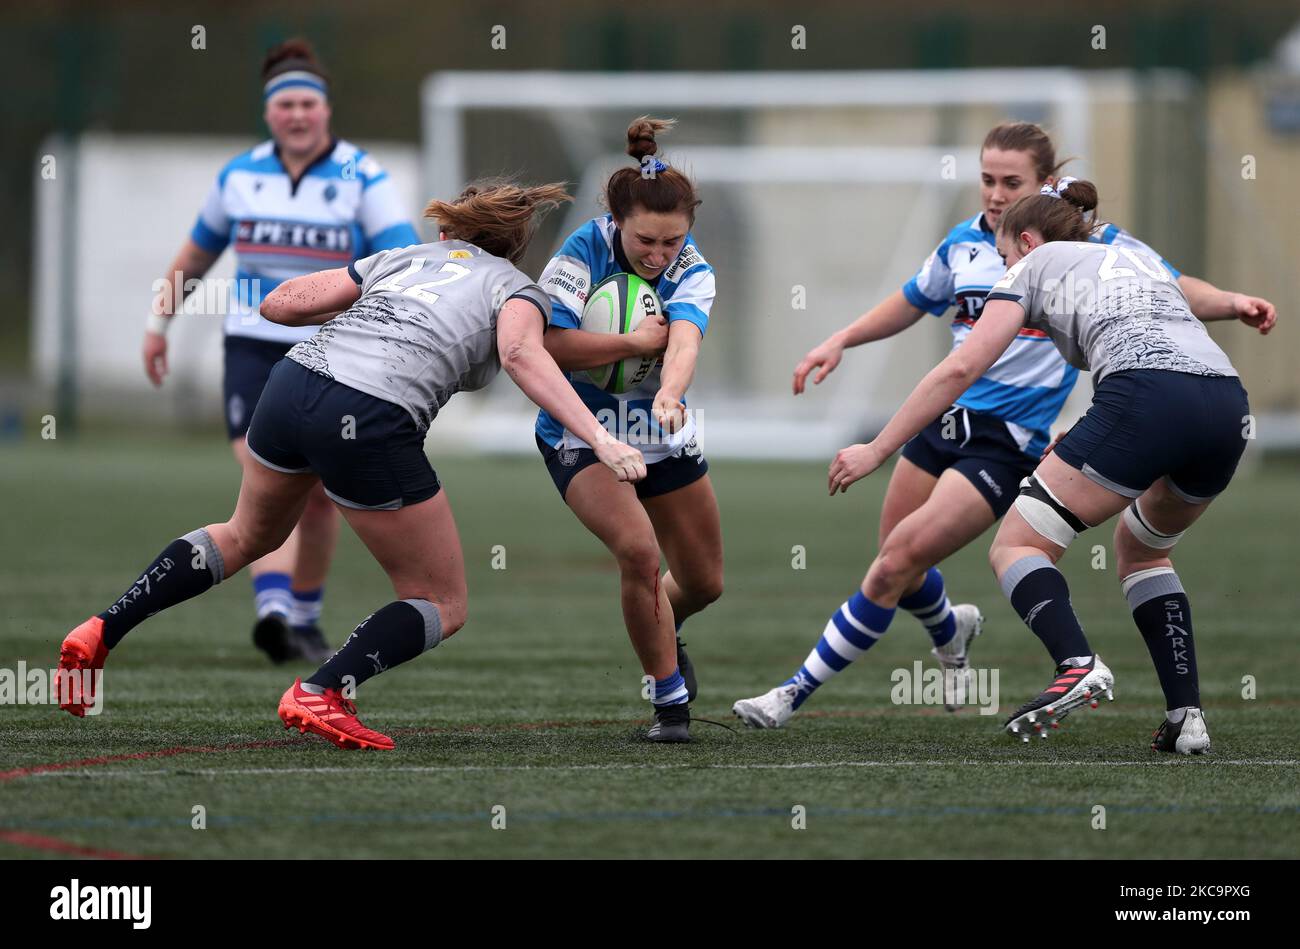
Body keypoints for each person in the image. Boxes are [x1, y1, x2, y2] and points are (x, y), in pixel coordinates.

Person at [57, 180, 648, 750]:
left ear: (446, 233)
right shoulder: (516, 289)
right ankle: (321, 690)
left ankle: (103, 627)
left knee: (245, 534)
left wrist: (376, 320)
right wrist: (601, 436)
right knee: (442, 601)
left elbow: (278, 305)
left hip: (291, 384)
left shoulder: (400, 259)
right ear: (513, 246)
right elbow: (522, 352)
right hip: (368, 411)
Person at [734, 123, 1276, 728]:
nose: (993, 193)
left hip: (1012, 437)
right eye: (987, 179)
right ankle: (968, 634)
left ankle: (791, 694)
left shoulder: (1056, 255)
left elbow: (963, 364)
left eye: (1010, 183)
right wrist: (841, 339)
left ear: (1042, 194)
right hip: (1205, 402)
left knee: (936, 557)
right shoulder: (1001, 245)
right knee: (910, 559)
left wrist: (877, 448)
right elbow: (916, 300)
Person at [142, 38, 419, 664]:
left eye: (308, 104)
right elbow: (195, 257)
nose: (297, 115)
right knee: (262, 473)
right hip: (251, 345)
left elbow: (401, 262)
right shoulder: (239, 176)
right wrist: (158, 324)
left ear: (326, 111)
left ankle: (305, 615)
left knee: (321, 495)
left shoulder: (361, 173)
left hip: (333, 348)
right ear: (270, 113)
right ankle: (273, 608)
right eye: (285, 104)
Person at [534, 117, 722, 742]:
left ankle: (664, 629)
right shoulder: (579, 254)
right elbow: (551, 347)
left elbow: (686, 340)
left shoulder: (693, 269)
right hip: (581, 432)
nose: (659, 256)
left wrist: (670, 391)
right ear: (617, 220)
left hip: (661, 431)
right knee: (640, 554)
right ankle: (669, 703)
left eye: (673, 243)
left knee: (704, 581)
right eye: (647, 240)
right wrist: (628, 342)